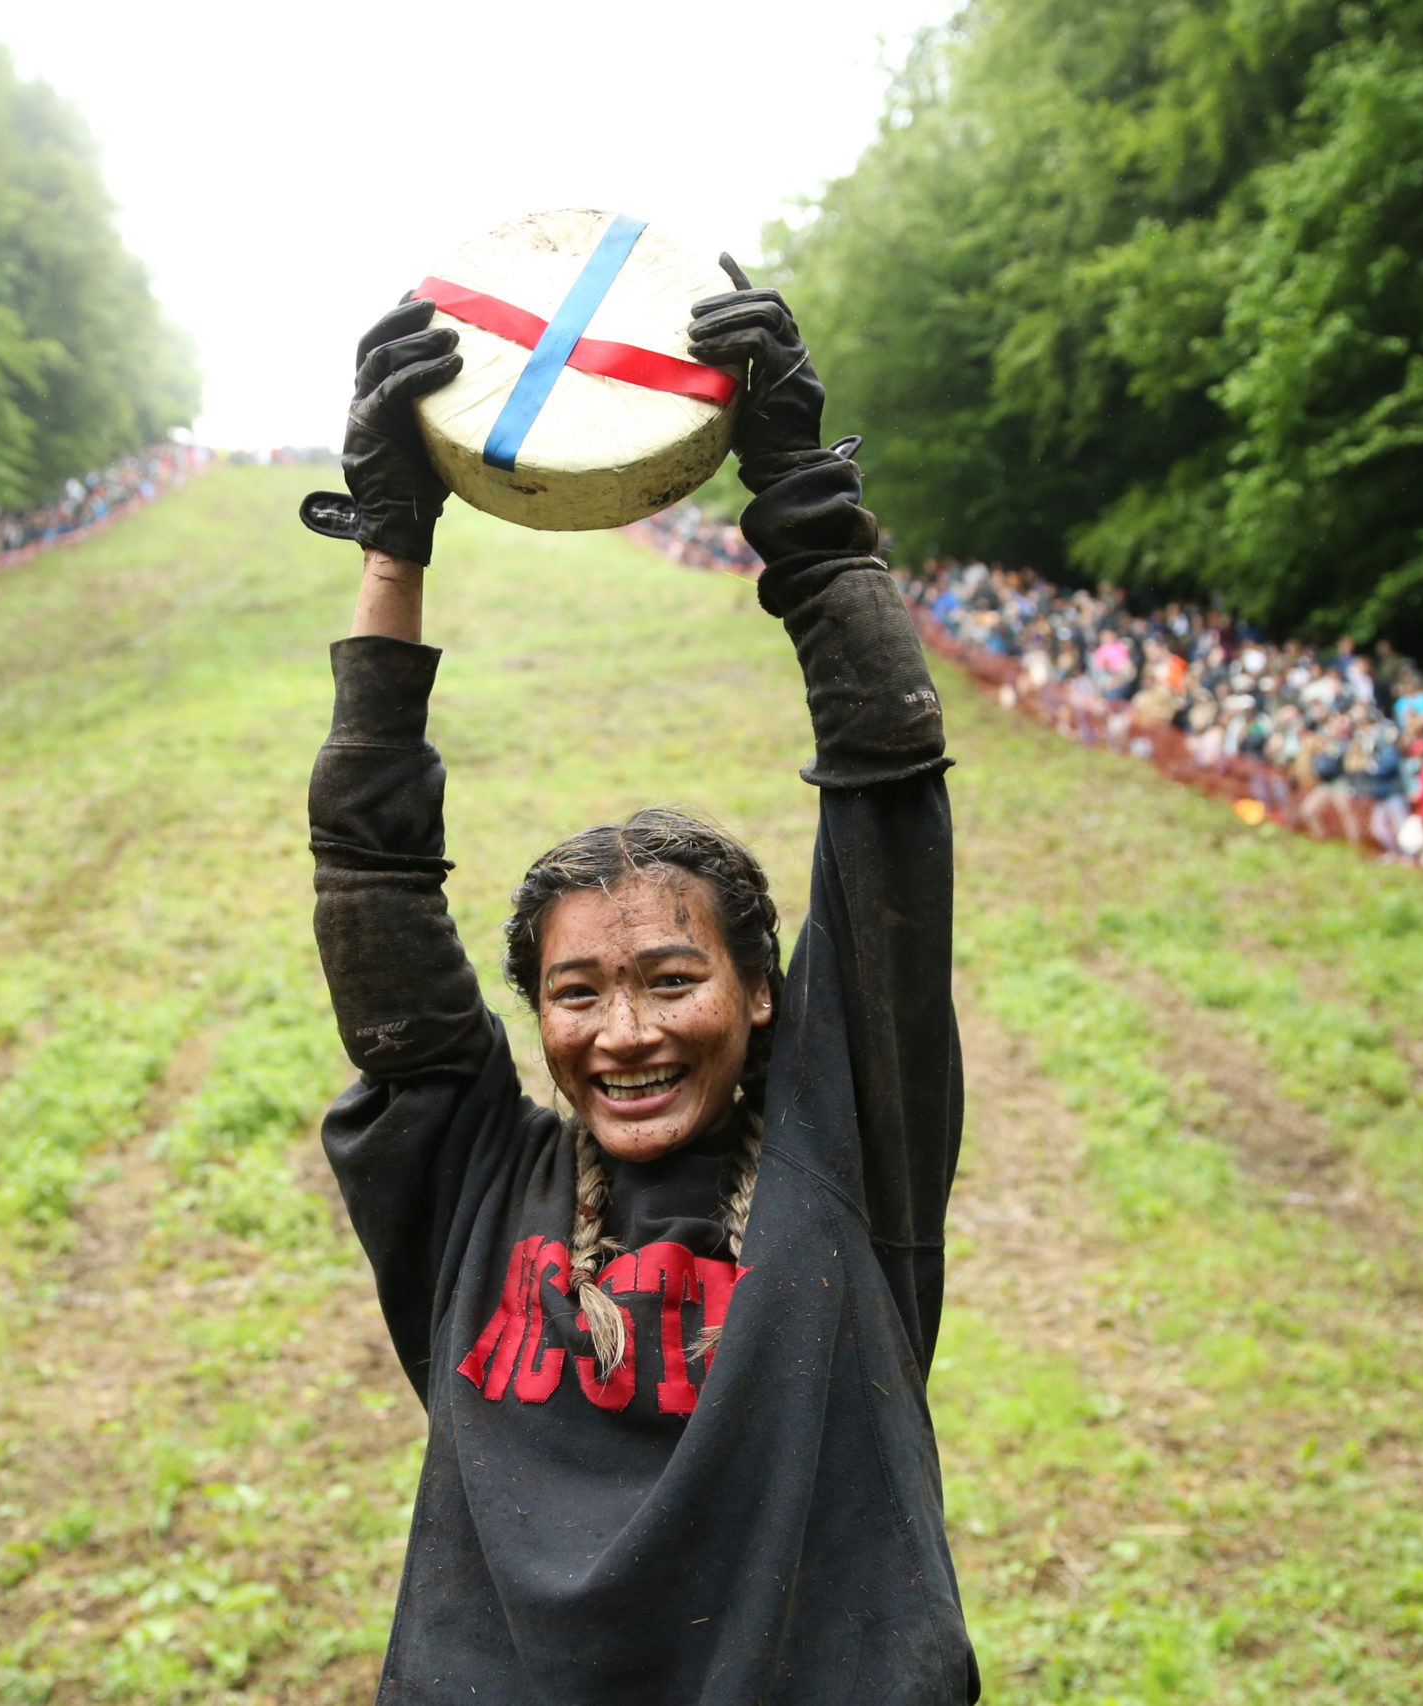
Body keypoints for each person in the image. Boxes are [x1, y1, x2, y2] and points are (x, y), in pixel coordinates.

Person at [297, 269, 976, 1704]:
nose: (625, 1032)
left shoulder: (846, 1156)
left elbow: (889, 797)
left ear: (766, 990)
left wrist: (801, 498)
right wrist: (392, 546)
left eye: (673, 979)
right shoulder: (475, 1181)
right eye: (577, 993)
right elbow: (371, 873)